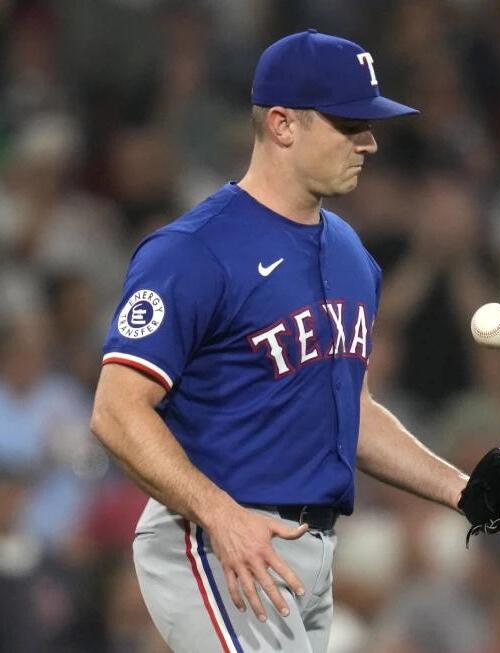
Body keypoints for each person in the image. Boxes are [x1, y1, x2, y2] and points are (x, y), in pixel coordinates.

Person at [90, 29, 469, 653]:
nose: (369, 141)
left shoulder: (352, 254)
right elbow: (115, 410)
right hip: (216, 536)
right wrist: (220, 517)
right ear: (283, 124)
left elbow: (353, 414)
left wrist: (464, 490)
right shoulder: (195, 250)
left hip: (308, 551)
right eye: (350, 124)